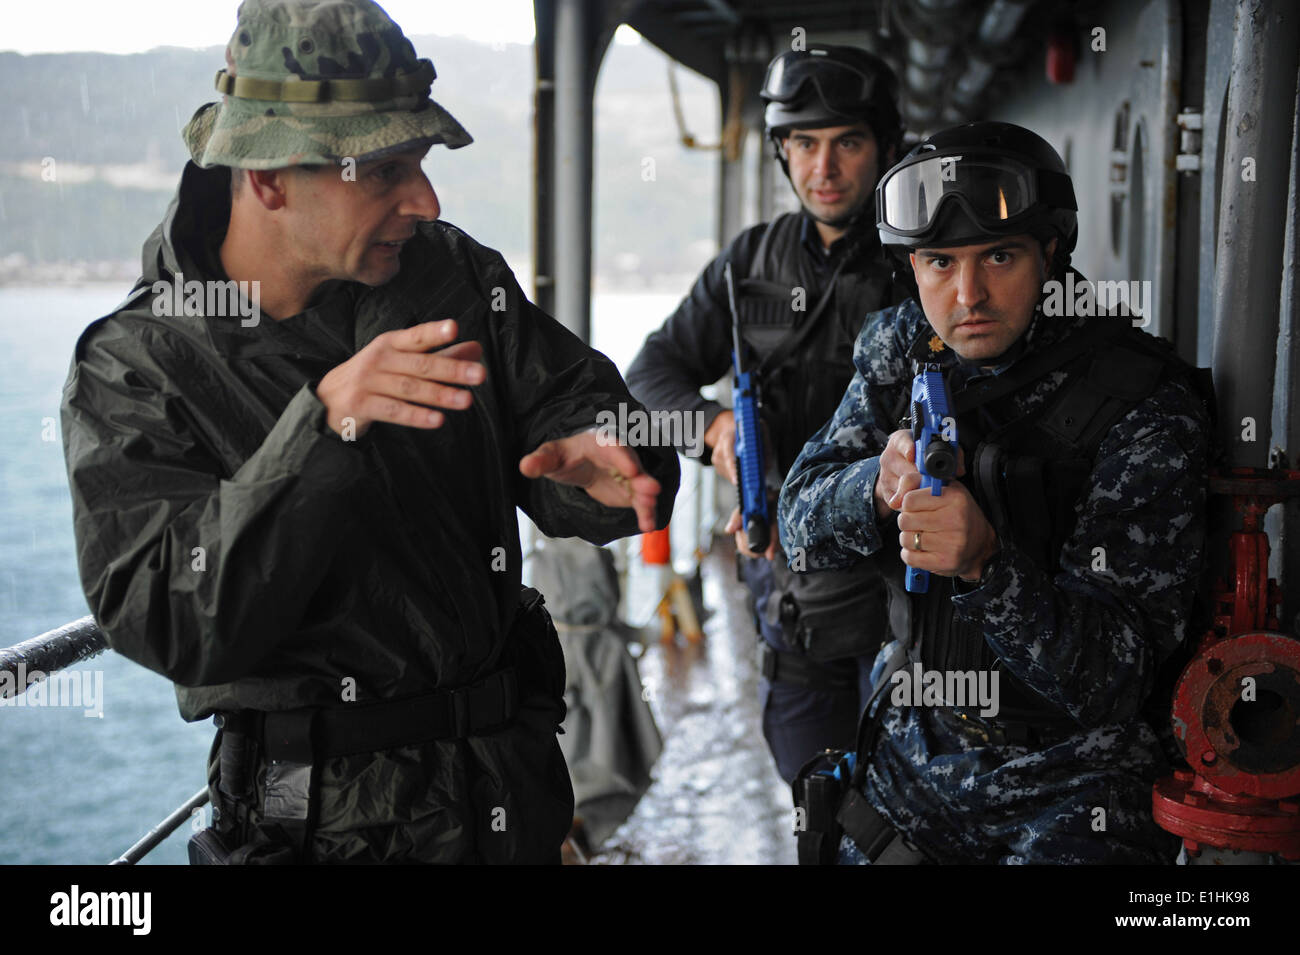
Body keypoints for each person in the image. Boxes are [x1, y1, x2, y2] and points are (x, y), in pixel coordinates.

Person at [59, 0, 678, 865]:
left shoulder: (451, 275)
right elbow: (169, 620)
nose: (424, 199)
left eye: (418, 162)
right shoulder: (135, 368)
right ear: (268, 178)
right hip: (319, 829)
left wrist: (607, 464)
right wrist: (325, 426)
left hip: (511, 797)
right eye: (383, 169)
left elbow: (575, 414)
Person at [779, 121, 1212, 864]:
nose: (967, 294)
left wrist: (988, 565)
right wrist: (873, 487)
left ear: (1049, 253)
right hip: (912, 750)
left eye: (1000, 257)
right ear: (911, 266)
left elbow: (1116, 679)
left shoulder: (1139, 400)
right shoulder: (900, 353)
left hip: (1074, 779)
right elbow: (796, 522)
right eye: (939, 262)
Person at [626, 44, 908, 784]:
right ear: (782, 153)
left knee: (915, 793)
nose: (825, 168)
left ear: (883, 147)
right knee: (812, 783)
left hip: (910, 579)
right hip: (791, 580)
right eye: (805, 144)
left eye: (847, 142)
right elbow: (651, 375)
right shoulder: (749, 263)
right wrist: (712, 427)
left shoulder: (926, 258)